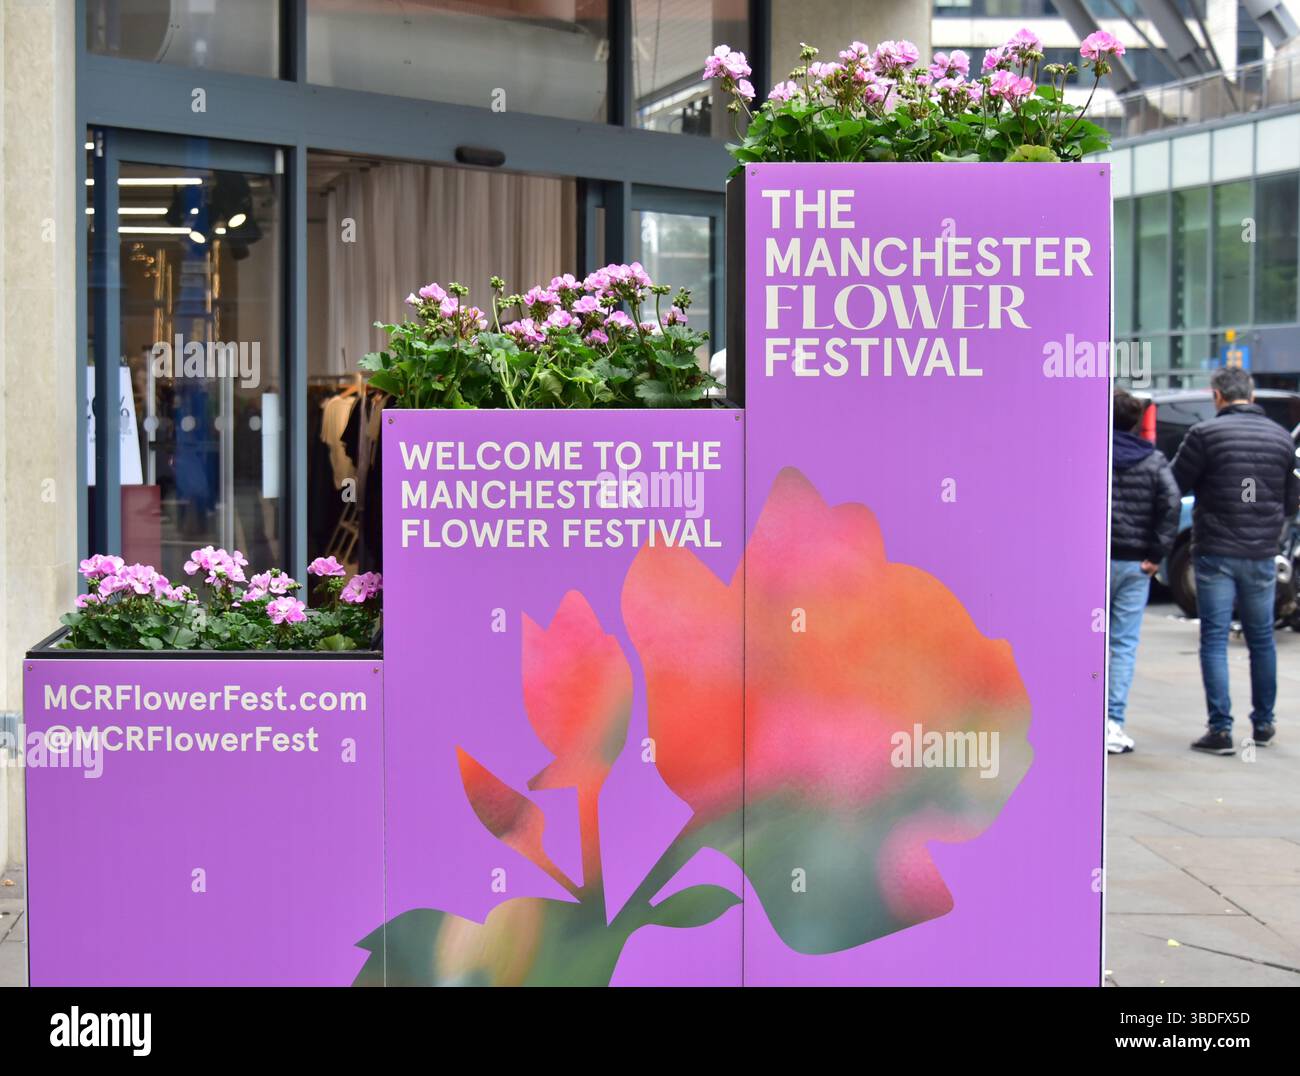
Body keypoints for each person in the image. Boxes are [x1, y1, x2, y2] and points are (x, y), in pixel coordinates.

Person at [1171, 366, 1300, 755]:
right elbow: (1292, 501)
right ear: (1253, 395)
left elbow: (1176, 483)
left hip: (1215, 552)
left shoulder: (1204, 435)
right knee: (1261, 639)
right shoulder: (1280, 438)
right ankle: (1263, 723)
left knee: (1214, 638)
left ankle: (1221, 729)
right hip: (1261, 553)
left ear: (1217, 396)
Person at [1108, 389, 1181, 754]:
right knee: (1123, 643)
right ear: (1136, 422)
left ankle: (1079, 715)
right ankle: (1112, 722)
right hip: (1137, 564)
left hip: (1096, 565)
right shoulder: (1153, 461)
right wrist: (1156, 554)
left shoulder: (1094, 455)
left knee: (1085, 643)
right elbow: (1170, 504)